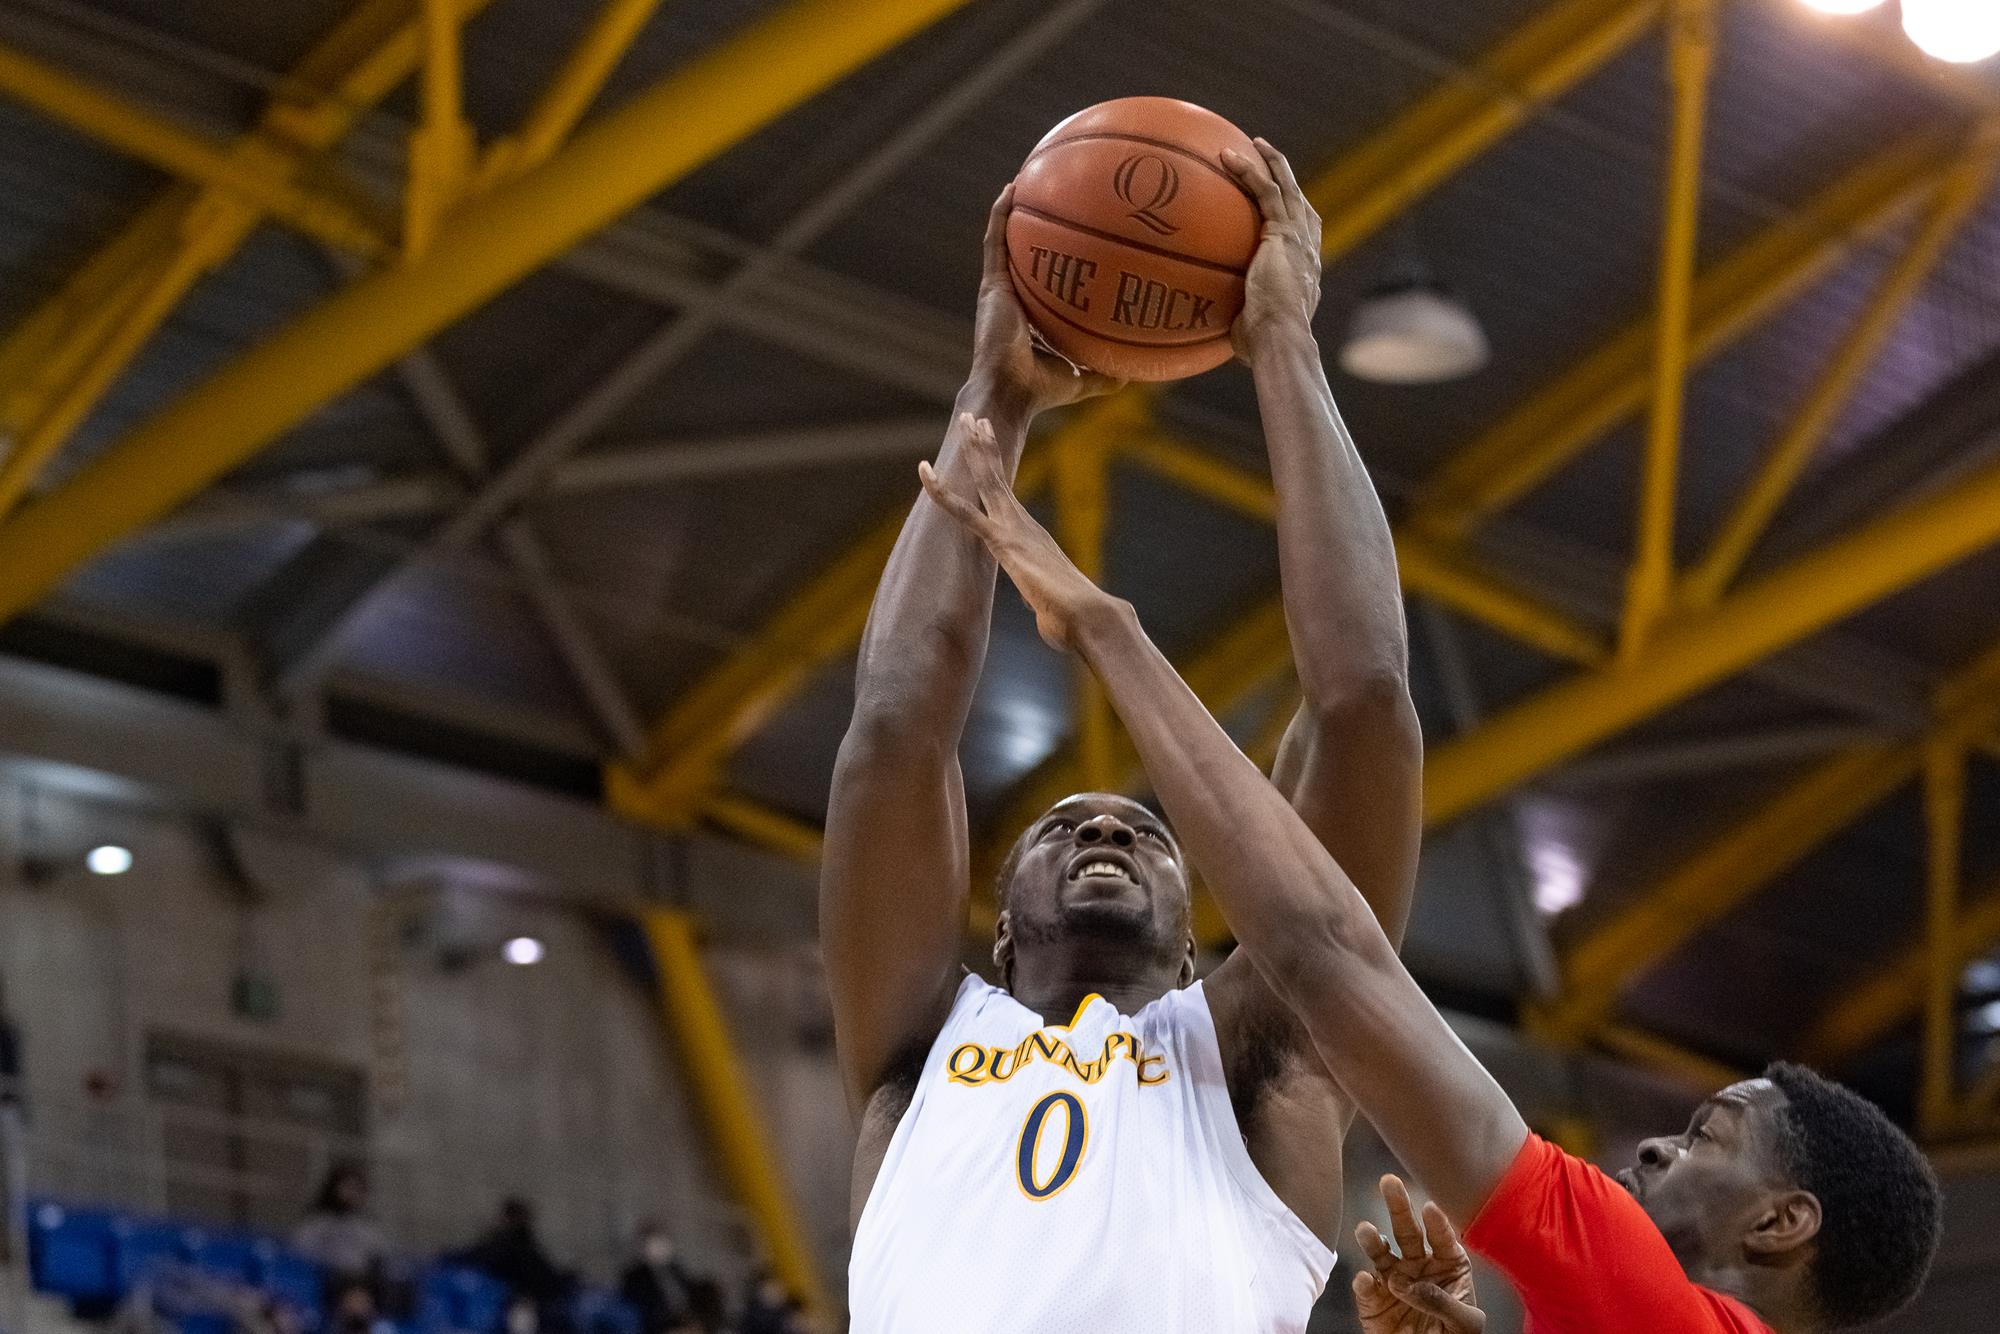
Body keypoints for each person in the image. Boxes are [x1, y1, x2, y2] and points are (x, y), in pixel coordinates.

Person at [918, 392, 1945, 1331]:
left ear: (1778, 1221)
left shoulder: (1654, 1305)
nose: (1648, 1147)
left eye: (1704, 1137)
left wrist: (1106, 631)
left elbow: (1321, 947)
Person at [831, 140, 1422, 1332]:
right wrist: (990, 395)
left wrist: (1283, 347)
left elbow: (1362, 704)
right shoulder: (917, 1043)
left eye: (1148, 834)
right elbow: (895, 729)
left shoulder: (1259, 1049)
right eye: (1063, 826)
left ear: (1205, 929)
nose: (1106, 821)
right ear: (994, 922)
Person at [453, 1199, 574, 1319]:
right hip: (509, 1301)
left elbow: (540, 1273)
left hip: (517, 1299)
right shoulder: (508, 1246)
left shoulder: (518, 1245)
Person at [292, 1163, 390, 1295]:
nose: (352, 1194)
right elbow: (301, 1255)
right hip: (327, 1281)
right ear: (334, 1187)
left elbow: (379, 1255)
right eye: (348, 1187)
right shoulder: (317, 1222)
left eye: (358, 1189)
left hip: (361, 1283)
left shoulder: (366, 1225)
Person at [617, 1223, 694, 1334]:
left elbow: (686, 1296)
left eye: (661, 1242)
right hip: (655, 1324)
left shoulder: (676, 1270)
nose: (658, 1248)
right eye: (652, 1244)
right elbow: (638, 1307)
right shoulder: (634, 1276)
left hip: (684, 1320)